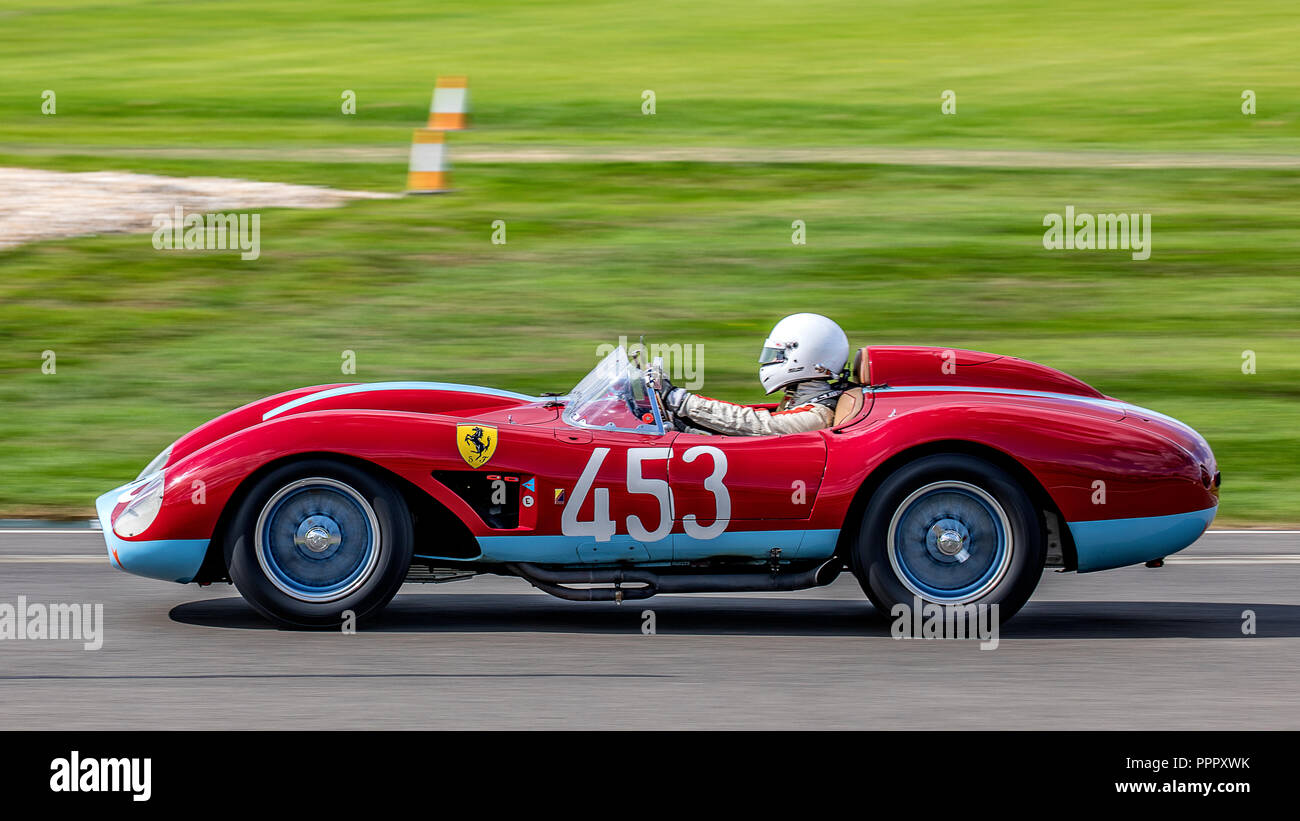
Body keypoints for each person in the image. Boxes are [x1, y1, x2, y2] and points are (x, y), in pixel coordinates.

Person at [648, 313, 849, 436]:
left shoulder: (816, 416)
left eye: (777, 355)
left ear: (803, 356)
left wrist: (680, 400)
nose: (769, 361)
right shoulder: (803, 400)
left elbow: (756, 424)